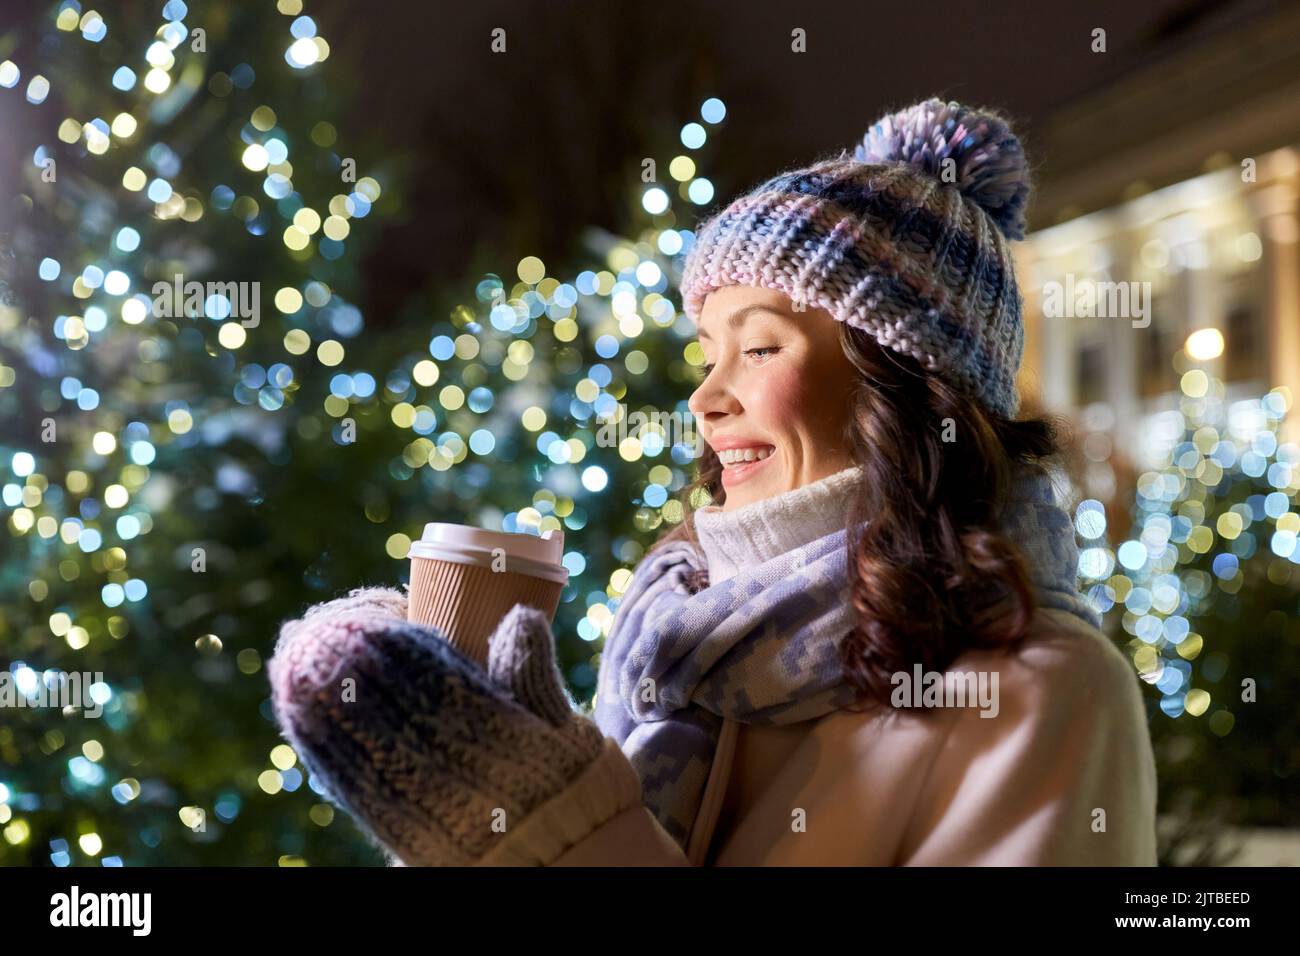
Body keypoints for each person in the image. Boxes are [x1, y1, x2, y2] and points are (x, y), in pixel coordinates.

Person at [267, 98, 1158, 866]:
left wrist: (555, 827)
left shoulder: (1044, 693)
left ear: (904, 381)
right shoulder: (687, 645)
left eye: (761, 347)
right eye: (708, 353)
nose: (705, 396)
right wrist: (457, 797)